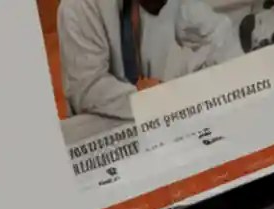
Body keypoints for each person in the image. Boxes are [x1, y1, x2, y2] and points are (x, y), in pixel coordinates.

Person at [57, 0, 244, 120]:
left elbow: (220, 33)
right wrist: (152, 99)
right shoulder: (77, 7)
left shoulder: (168, 4)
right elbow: (87, 89)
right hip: (106, 133)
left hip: (162, 125)